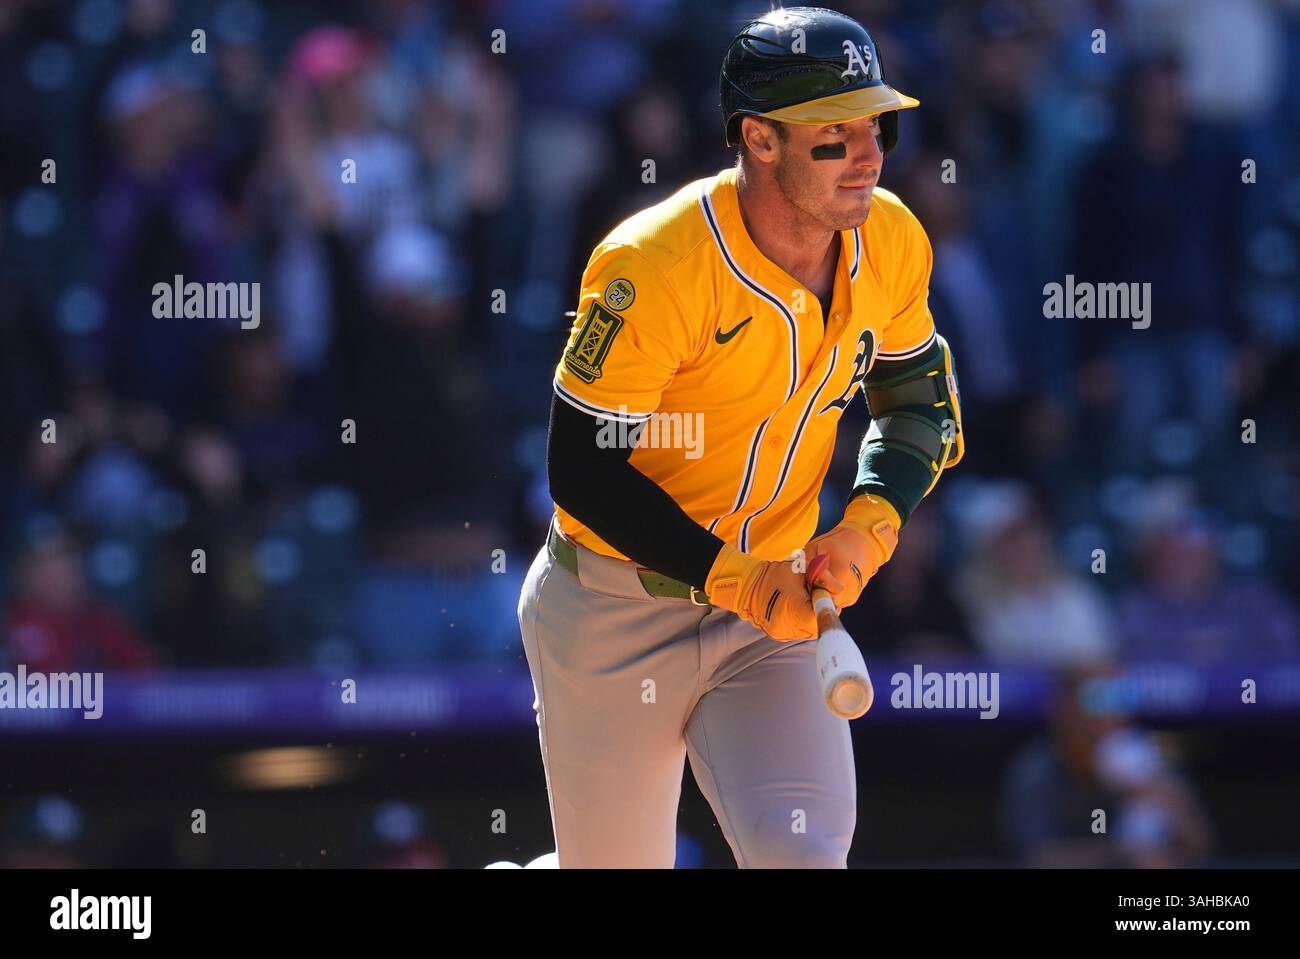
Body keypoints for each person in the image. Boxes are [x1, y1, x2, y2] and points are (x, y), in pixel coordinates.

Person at [517, 7, 965, 867]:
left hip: (775, 607)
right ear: (760, 139)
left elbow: (918, 403)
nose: (869, 154)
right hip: (616, 605)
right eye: (835, 133)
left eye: (878, 126)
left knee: (803, 858)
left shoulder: (894, 235)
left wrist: (870, 525)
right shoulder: (652, 263)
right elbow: (580, 472)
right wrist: (737, 579)